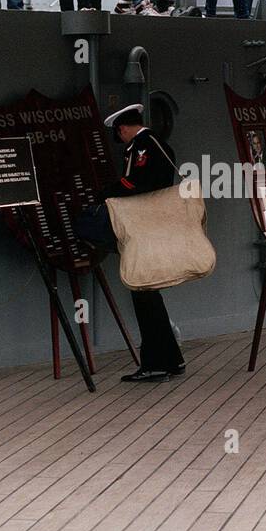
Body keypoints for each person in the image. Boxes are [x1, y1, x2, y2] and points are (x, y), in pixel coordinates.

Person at [75, 104, 186, 382]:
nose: (121, 138)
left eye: (119, 133)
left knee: (143, 293)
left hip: (145, 228)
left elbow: (137, 184)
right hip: (154, 225)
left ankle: (156, 363)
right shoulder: (155, 143)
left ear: (123, 128)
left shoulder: (143, 145)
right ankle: (172, 360)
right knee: (149, 294)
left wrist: (104, 194)